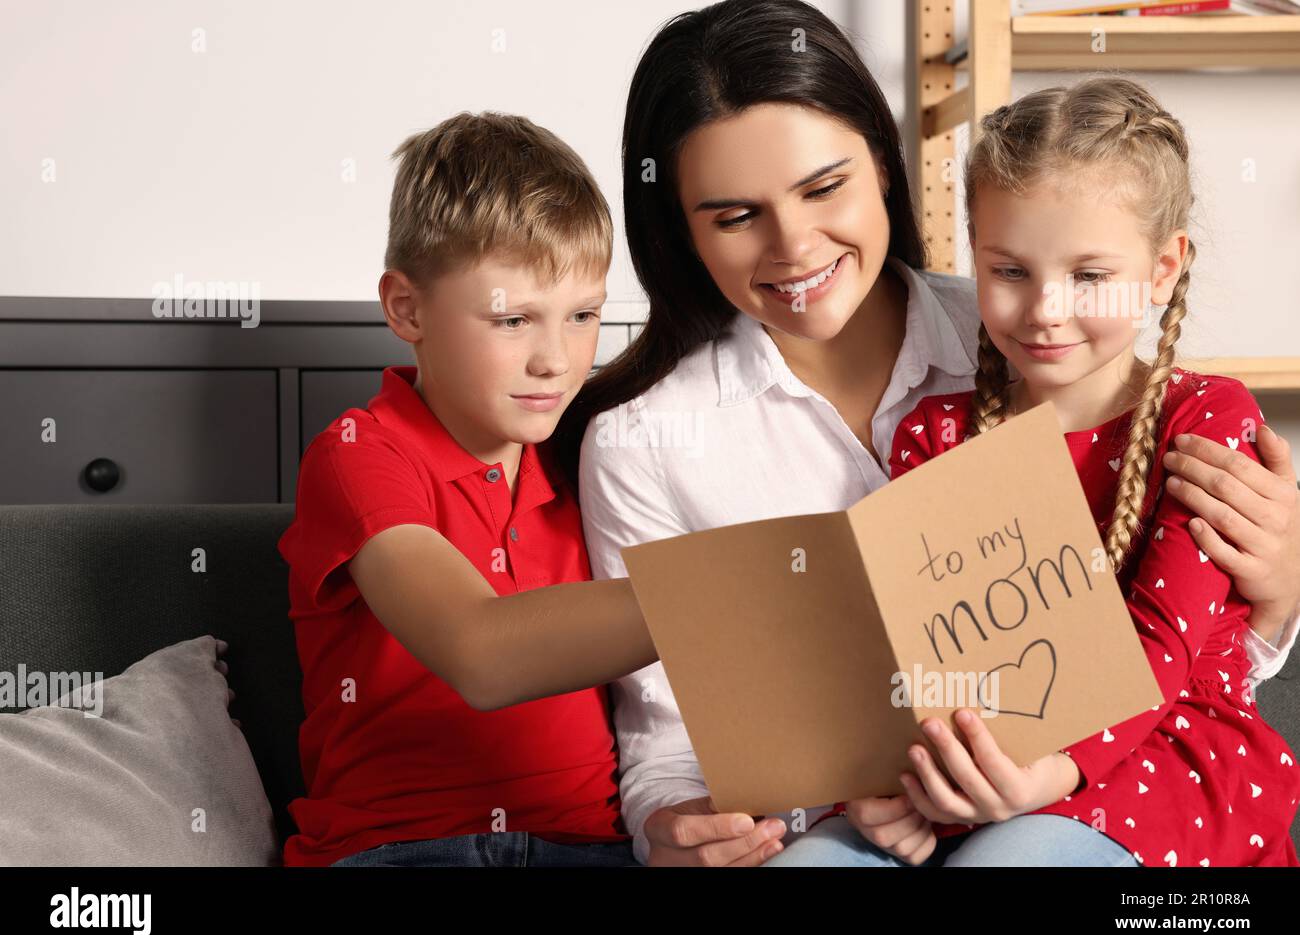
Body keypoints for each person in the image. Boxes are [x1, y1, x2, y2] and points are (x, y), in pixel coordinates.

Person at [561, 0, 1300, 866]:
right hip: (908, 802)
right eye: (733, 216)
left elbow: (1193, 651)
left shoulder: (1025, 334)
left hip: (1123, 789)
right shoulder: (647, 443)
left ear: (883, 163)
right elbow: (670, 741)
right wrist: (686, 825)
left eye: (824, 186)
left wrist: (1280, 591)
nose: (794, 246)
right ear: (680, 231)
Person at [766, 76, 1298, 867]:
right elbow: (908, 652)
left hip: (1161, 752)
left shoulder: (1206, 418)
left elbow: (1162, 645)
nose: (1046, 308)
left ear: (1162, 268)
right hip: (980, 759)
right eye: (1010, 271)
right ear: (973, 256)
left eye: (1088, 276)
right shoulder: (933, 433)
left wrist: (1048, 774)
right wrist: (883, 792)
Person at [278, 112, 659, 867]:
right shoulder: (359, 454)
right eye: (513, 319)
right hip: (401, 850)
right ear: (406, 308)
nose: (556, 359)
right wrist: (735, 595)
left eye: (584, 315)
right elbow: (480, 652)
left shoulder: (592, 451)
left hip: (589, 846)